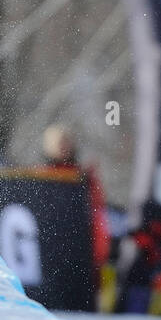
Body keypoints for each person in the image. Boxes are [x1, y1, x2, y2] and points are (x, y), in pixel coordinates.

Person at [40, 125, 111, 302]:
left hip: (80, 250)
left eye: (66, 142)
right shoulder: (40, 177)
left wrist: (100, 253)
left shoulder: (83, 178)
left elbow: (97, 214)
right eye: (59, 143)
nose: (64, 147)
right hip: (51, 252)